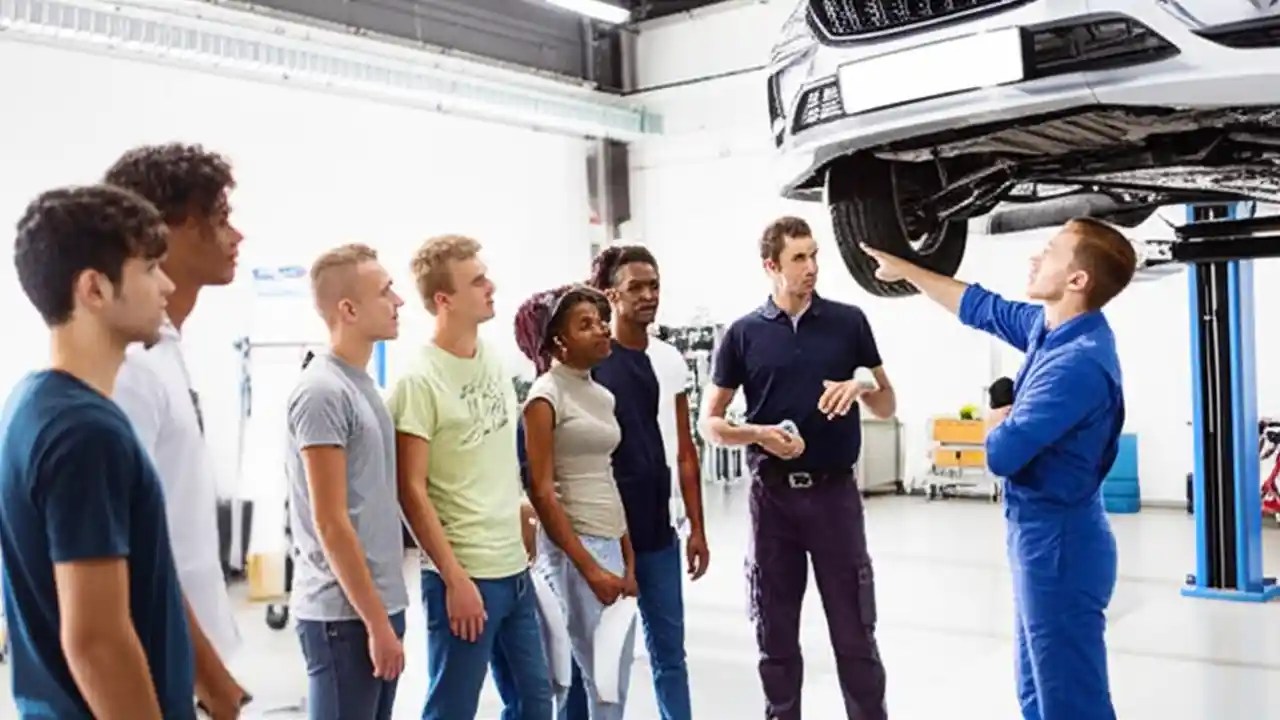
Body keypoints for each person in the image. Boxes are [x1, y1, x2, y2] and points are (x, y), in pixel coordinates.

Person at [861, 217, 1135, 720]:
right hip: (1040, 535)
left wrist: (993, 418)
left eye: (1050, 251)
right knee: (1037, 689)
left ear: (1078, 280)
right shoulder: (1052, 330)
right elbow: (980, 307)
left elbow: (1001, 455)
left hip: (1060, 544)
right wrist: (908, 269)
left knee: (1070, 701)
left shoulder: (1077, 362)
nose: (1035, 258)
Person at [0, 185, 190, 718]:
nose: (167, 286)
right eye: (151, 268)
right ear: (94, 288)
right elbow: (96, 642)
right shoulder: (86, 433)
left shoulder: (32, 402)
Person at [699, 216, 895, 720]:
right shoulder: (742, 335)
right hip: (773, 500)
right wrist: (760, 435)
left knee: (854, 633)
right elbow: (711, 423)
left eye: (814, 255)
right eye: (799, 258)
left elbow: (887, 404)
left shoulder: (848, 322)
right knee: (776, 635)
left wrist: (861, 387)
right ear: (771, 265)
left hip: (835, 497)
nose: (812, 268)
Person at [103, 143, 249, 717]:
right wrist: (208, 678)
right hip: (159, 671)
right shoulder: (132, 368)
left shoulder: (164, 351)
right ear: (163, 230)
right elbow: (128, 546)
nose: (236, 236)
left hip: (185, 663)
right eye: (219, 220)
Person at [386, 234, 553, 720]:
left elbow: (493, 460)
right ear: (444, 299)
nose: (491, 286)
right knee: (451, 709)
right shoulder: (418, 380)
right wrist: (453, 577)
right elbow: (409, 490)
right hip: (465, 576)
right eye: (477, 280)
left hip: (514, 568)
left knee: (535, 704)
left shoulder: (494, 360)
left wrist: (522, 519)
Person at [283, 244, 411, 719]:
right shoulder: (321, 392)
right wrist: (376, 623)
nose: (398, 301)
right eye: (385, 292)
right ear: (348, 309)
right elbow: (331, 521)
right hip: (343, 617)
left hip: (375, 605)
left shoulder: (362, 388)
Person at [584, 245, 708, 720]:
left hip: (659, 532)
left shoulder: (669, 359)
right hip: (607, 534)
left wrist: (696, 526)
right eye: (636, 286)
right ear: (611, 295)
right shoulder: (594, 362)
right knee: (608, 660)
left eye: (654, 285)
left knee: (670, 657)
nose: (648, 295)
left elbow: (684, 447)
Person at [513, 284, 639, 719]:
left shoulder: (601, 395)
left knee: (610, 682)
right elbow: (542, 491)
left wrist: (628, 559)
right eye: (586, 325)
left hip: (609, 541)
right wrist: (590, 567)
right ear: (557, 342)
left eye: (601, 321)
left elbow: (607, 475)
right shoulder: (545, 397)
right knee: (594, 684)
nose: (603, 329)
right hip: (574, 549)